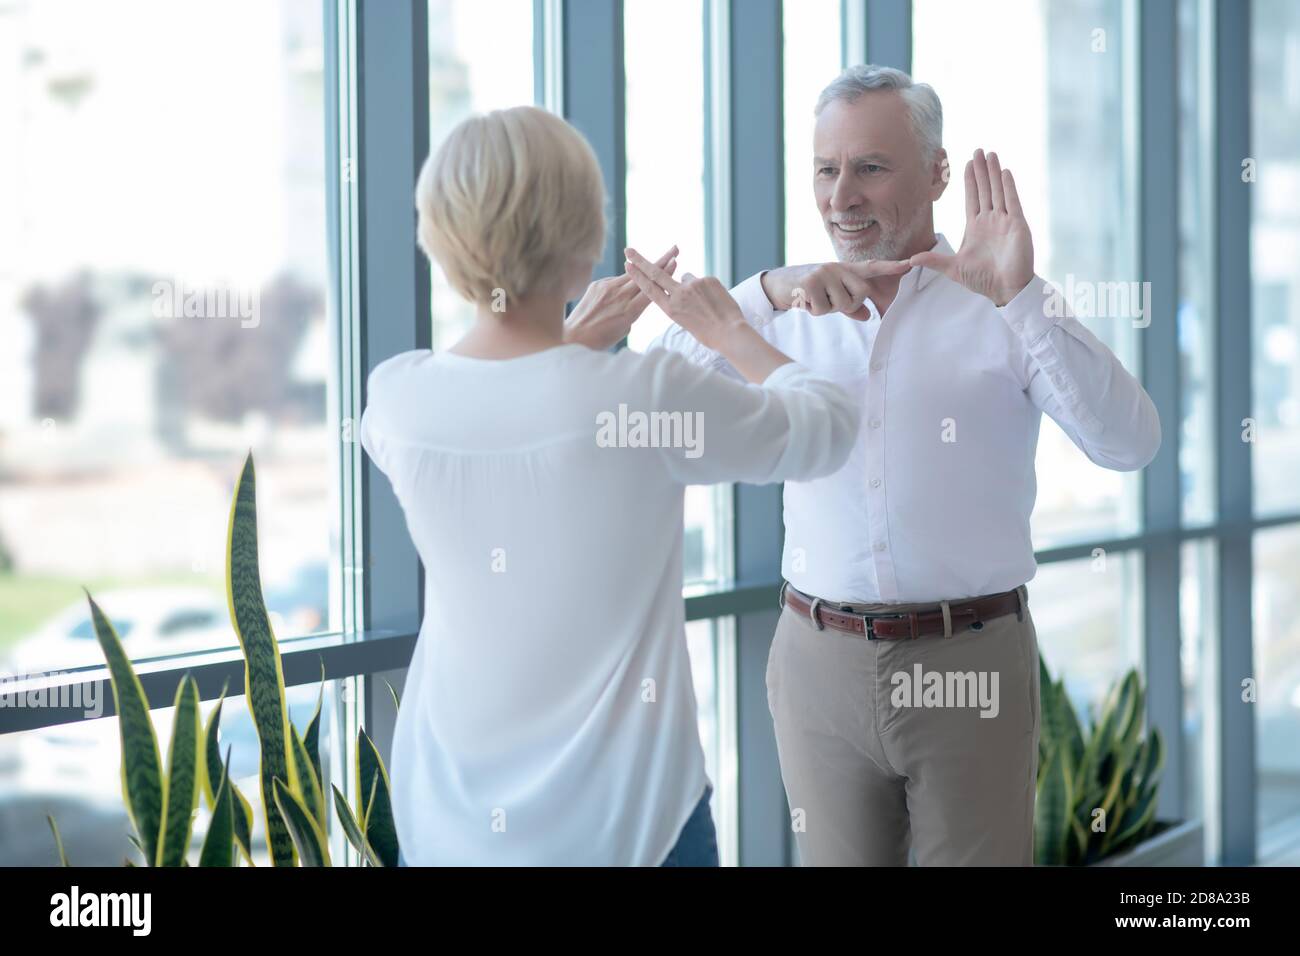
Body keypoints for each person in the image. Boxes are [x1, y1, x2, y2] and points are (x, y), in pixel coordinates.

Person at [359, 105, 906, 865]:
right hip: (635, 829)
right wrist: (732, 330)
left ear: (437, 237)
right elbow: (826, 424)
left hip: (450, 825)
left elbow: (507, 406)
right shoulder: (642, 396)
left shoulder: (395, 400)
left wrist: (570, 341)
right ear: (585, 236)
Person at [648, 64, 1161, 866]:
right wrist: (765, 293)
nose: (841, 196)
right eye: (827, 168)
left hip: (971, 660)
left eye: (871, 168)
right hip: (819, 661)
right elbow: (651, 407)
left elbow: (1130, 443)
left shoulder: (1007, 303)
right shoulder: (788, 313)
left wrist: (1022, 299)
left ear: (938, 173)